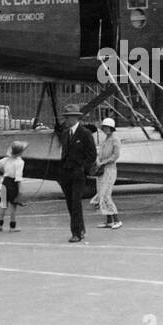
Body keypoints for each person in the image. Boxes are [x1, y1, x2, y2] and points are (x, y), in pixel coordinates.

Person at [57, 103, 97, 243]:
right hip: (66, 173)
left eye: (68, 117)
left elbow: (92, 155)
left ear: (75, 118)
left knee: (75, 203)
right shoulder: (65, 134)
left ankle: (76, 232)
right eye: (65, 117)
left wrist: (83, 168)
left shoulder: (85, 133)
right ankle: (80, 228)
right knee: (70, 203)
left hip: (78, 173)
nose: (66, 120)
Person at [94, 117, 123, 229]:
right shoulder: (106, 139)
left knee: (106, 194)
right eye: (104, 127)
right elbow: (100, 153)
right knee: (102, 194)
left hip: (109, 169)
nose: (105, 129)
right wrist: (98, 161)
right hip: (102, 168)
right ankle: (109, 220)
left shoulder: (115, 139)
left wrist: (104, 162)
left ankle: (117, 220)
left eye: (106, 127)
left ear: (111, 128)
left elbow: (115, 155)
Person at [0, 140, 28, 232]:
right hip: (13, 183)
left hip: (5, 182)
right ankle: (12, 226)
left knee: (3, 205)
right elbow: (18, 177)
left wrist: (4, 171)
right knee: (13, 206)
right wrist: (20, 190)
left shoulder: (5, 160)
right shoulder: (20, 162)